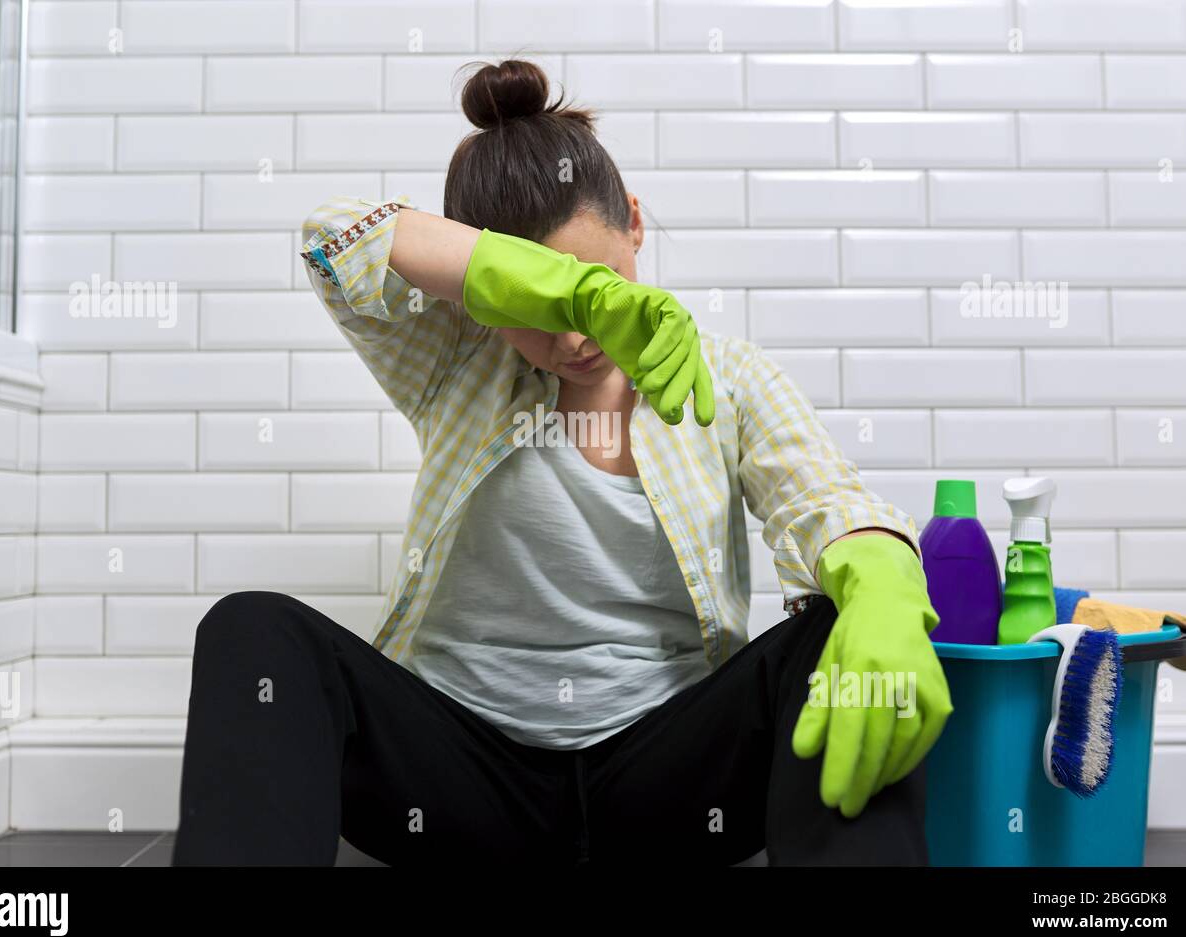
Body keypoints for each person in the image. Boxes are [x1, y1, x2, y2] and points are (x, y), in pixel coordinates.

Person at [172, 59, 951, 867]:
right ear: (480, 290)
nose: (575, 339)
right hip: (460, 789)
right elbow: (333, 238)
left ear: (636, 224)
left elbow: (824, 498)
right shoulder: (454, 359)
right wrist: (560, 289)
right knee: (251, 627)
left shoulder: (733, 379)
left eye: (599, 280)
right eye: (541, 309)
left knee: (837, 630)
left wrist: (884, 586)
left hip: (670, 790)